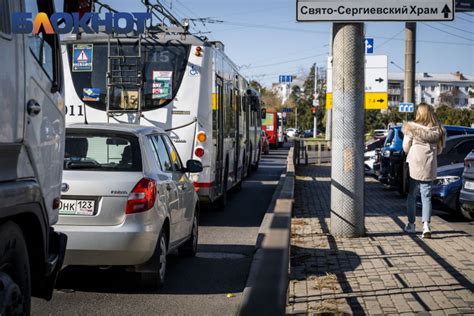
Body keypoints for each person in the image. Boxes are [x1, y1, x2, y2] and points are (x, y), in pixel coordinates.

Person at [402, 103, 445, 238]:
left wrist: (413, 153)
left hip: (414, 162)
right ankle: (426, 226)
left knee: (412, 195)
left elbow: (405, 146)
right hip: (429, 163)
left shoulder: (411, 128)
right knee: (426, 196)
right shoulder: (437, 130)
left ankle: (411, 224)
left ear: (419, 113)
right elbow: (440, 149)